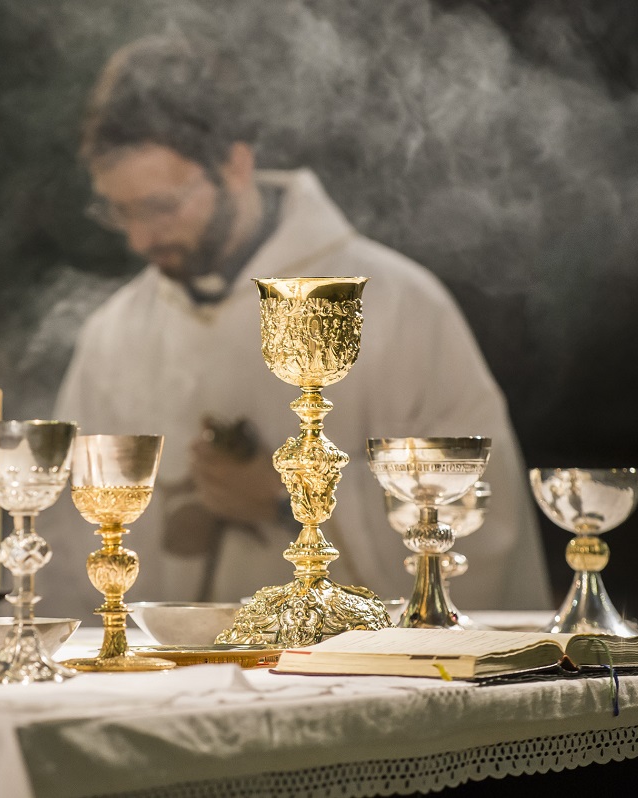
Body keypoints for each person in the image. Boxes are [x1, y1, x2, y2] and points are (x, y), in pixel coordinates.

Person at [45, 33, 550, 619]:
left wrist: (287, 498)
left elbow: (482, 507)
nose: (139, 238)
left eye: (161, 207)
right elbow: (66, 548)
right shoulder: (116, 336)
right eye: (120, 211)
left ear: (235, 165)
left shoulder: (395, 304)